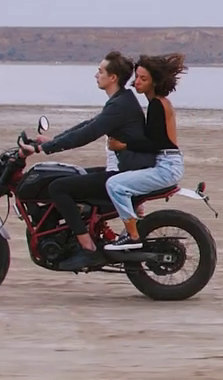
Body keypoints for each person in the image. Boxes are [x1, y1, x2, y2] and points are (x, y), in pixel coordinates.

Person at [21, 51, 156, 270]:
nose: (96, 75)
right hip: (125, 167)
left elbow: (88, 133)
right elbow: (88, 124)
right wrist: (51, 141)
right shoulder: (121, 101)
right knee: (76, 175)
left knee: (59, 188)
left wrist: (45, 148)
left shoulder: (120, 105)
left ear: (113, 77)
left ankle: (88, 248)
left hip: (124, 173)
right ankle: (85, 230)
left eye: (101, 71)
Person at [103, 54, 187, 252]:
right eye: (137, 77)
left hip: (166, 166)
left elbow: (154, 143)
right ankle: (136, 223)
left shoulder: (157, 105)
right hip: (167, 162)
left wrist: (123, 145)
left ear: (155, 82)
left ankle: (132, 236)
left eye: (143, 79)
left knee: (115, 185)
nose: (137, 82)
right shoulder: (158, 102)